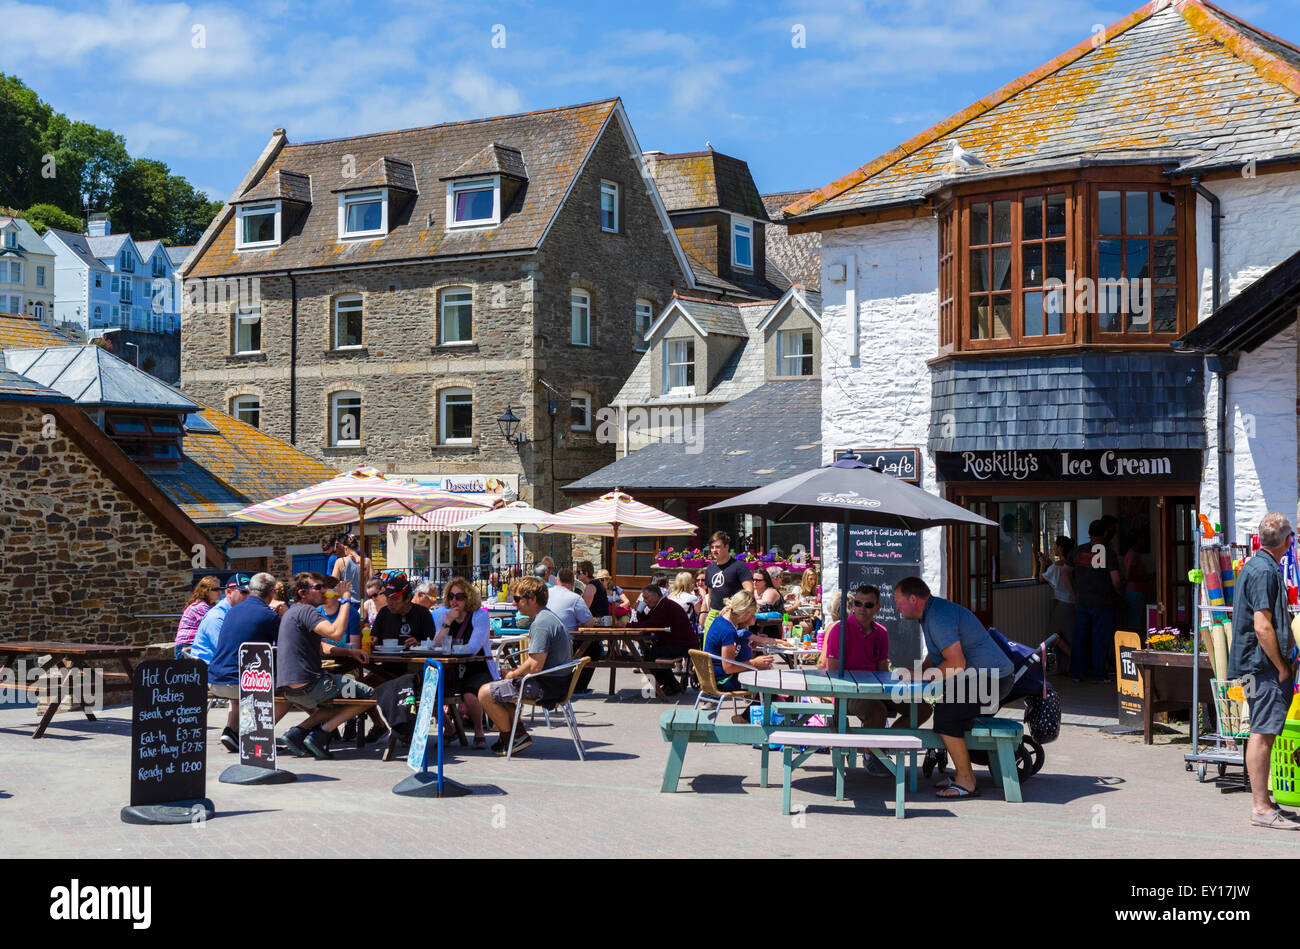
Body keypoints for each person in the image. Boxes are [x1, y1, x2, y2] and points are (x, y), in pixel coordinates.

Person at [894, 576, 1014, 799]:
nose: (897, 607)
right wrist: (920, 672)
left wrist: (925, 676)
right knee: (945, 711)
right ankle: (961, 773)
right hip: (985, 678)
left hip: (993, 680)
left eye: (898, 601)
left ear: (913, 599)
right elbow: (940, 651)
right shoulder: (932, 612)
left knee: (946, 717)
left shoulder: (938, 617)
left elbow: (957, 664)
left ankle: (966, 781)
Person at [1229, 512, 1299, 830]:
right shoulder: (1264, 571)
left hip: (1256, 665)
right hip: (1262, 667)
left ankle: (1264, 803)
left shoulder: (1258, 566)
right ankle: (1260, 808)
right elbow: (1262, 626)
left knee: (1260, 732)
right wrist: (1282, 667)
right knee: (1262, 734)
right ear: (1287, 541)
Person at [277, 572, 373, 760]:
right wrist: (346, 600)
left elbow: (321, 645)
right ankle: (320, 735)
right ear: (302, 593)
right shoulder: (307, 611)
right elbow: (336, 633)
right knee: (368, 696)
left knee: (336, 704)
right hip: (311, 685)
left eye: (324, 587)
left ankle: (296, 734)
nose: (324, 591)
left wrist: (349, 652)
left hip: (288, 687)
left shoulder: (293, 612)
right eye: (318, 587)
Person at [477, 576, 573, 755]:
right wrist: (514, 672)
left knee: (484, 693)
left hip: (547, 687)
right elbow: (536, 663)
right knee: (500, 687)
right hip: (556, 682)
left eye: (517, 599)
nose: (514, 604)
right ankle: (518, 733)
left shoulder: (541, 623)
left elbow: (535, 666)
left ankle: (510, 738)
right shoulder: (547, 617)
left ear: (533, 599)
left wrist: (513, 674)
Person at [820, 584, 930, 730]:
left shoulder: (881, 633)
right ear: (853, 605)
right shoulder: (839, 631)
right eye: (858, 603)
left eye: (868, 604)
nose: (862, 608)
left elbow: (882, 670)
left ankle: (884, 746)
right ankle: (872, 752)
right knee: (877, 710)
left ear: (877, 608)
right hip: (848, 693)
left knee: (923, 708)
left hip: (877, 691)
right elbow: (833, 673)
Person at [208, 573, 286, 753]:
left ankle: (231, 731)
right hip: (240, 683)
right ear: (272, 593)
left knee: (241, 688)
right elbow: (287, 645)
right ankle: (255, 734)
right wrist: (283, 615)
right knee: (290, 694)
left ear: (250, 590)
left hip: (216, 680)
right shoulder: (269, 615)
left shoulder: (231, 611)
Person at [432, 577, 497, 749]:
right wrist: (448, 622)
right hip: (451, 668)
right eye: (451, 596)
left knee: (469, 696)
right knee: (428, 691)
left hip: (476, 667)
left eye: (459, 596)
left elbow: (474, 647)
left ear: (468, 598)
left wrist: (452, 650)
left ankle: (478, 731)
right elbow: (436, 645)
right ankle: (449, 727)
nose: (454, 600)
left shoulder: (479, 615)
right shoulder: (445, 618)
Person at [703, 591, 777, 715]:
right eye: (752, 614)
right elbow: (728, 667)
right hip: (723, 681)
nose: (753, 617)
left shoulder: (720, 621)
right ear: (745, 613)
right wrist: (754, 662)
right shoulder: (729, 631)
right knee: (771, 683)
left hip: (712, 678)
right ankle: (746, 717)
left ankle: (749, 716)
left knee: (766, 673)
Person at [1070, 520, 1121, 683]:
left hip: (1082, 601)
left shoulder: (1078, 551)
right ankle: (1098, 674)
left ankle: (1076, 673)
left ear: (1089, 533)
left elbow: (1064, 572)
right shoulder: (1108, 552)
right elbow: (1116, 580)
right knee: (1100, 638)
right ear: (1105, 534)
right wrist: (1121, 593)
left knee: (1080, 637)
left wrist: (1073, 593)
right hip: (1103, 602)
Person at [632, 583, 699, 695]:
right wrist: (640, 611)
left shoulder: (664, 606)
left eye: (646, 598)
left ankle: (669, 685)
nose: (644, 601)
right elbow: (647, 621)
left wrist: (627, 625)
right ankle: (672, 685)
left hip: (683, 645)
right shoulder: (660, 605)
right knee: (650, 654)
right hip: (676, 642)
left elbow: (651, 624)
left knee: (651, 655)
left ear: (656, 596)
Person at [549, 568, 596, 690]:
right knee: (595, 648)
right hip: (566, 642)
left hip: (543, 639)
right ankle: (578, 686)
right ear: (572, 583)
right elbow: (590, 623)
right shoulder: (575, 598)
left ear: (556, 580)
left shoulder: (545, 594)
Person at [189, 574, 250, 664]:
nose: (249, 597)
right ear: (229, 592)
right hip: (207, 670)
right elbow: (226, 650)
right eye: (244, 592)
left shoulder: (239, 612)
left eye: (251, 593)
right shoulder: (216, 617)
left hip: (221, 666)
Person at [703, 531, 753, 636]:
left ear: (727, 547)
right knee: (709, 650)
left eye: (717, 547)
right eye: (712, 547)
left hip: (733, 615)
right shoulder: (710, 568)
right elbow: (710, 594)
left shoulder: (739, 566)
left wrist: (732, 607)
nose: (714, 550)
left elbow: (749, 591)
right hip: (713, 614)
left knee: (731, 650)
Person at [372, 573, 436, 648]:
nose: (389, 602)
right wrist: (372, 641)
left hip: (415, 657)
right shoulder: (384, 612)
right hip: (387, 657)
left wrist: (418, 644)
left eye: (394, 598)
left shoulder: (423, 613)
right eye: (387, 597)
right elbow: (373, 638)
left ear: (408, 598)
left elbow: (431, 643)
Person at [1039, 536, 1074, 669]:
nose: (1053, 548)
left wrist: (1042, 563)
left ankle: (1074, 658)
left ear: (1061, 548)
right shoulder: (1072, 564)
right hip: (1073, 603)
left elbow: (1042, 578)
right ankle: (1074, 660)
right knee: (1070, 635)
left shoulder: (1056, 566)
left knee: (1053, 635)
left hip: (1061, 603)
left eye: (1055, 546)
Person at [175, 576, 221, 659]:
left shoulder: (210, 606)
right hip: (187, 646)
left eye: (220, 589)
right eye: (216, 589)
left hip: (191, 645)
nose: (219, 592)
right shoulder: (201, 606)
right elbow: (214, 625)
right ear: (206, 591)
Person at [318, 575, 361, 647]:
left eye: (327, 594)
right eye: (320, 594)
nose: (322, 598)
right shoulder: (315, 613)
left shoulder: (352, 613)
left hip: (344, 656)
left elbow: (355, 646)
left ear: (337, 594)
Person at [1123, 532, 1150, 636]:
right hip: (1135, 591)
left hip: (1138, 591)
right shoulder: (1132, 554)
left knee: (1137, 619)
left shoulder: (1135, 553)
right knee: (1135, 622)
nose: (1143, 541)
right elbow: (1129, 576)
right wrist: (1145, 578)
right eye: (1141, 539)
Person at [576, 561, 611, 627]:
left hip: (598, 623)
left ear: (586, 573)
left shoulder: (591, 587)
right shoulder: (597, 584)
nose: (577, 575)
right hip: (602, 622)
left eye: (578, 572)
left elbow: (584, 609)